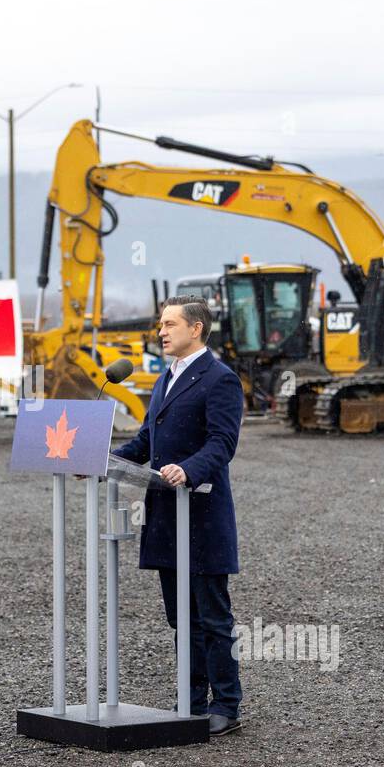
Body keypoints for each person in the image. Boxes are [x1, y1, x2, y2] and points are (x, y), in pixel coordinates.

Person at [111, 295, 245, 735]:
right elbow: (146, 442)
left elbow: (222, 443)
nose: (161, 331)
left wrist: (189, 469)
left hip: (202, 515)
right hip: (167, 516)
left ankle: (225, 704)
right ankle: (189, 703)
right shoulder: (166, 378)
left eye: (170, 324)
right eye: (160, 324)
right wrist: (100, 458)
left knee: (211, 615)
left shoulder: (220, 379)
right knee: (179, 619)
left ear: (196, 329)